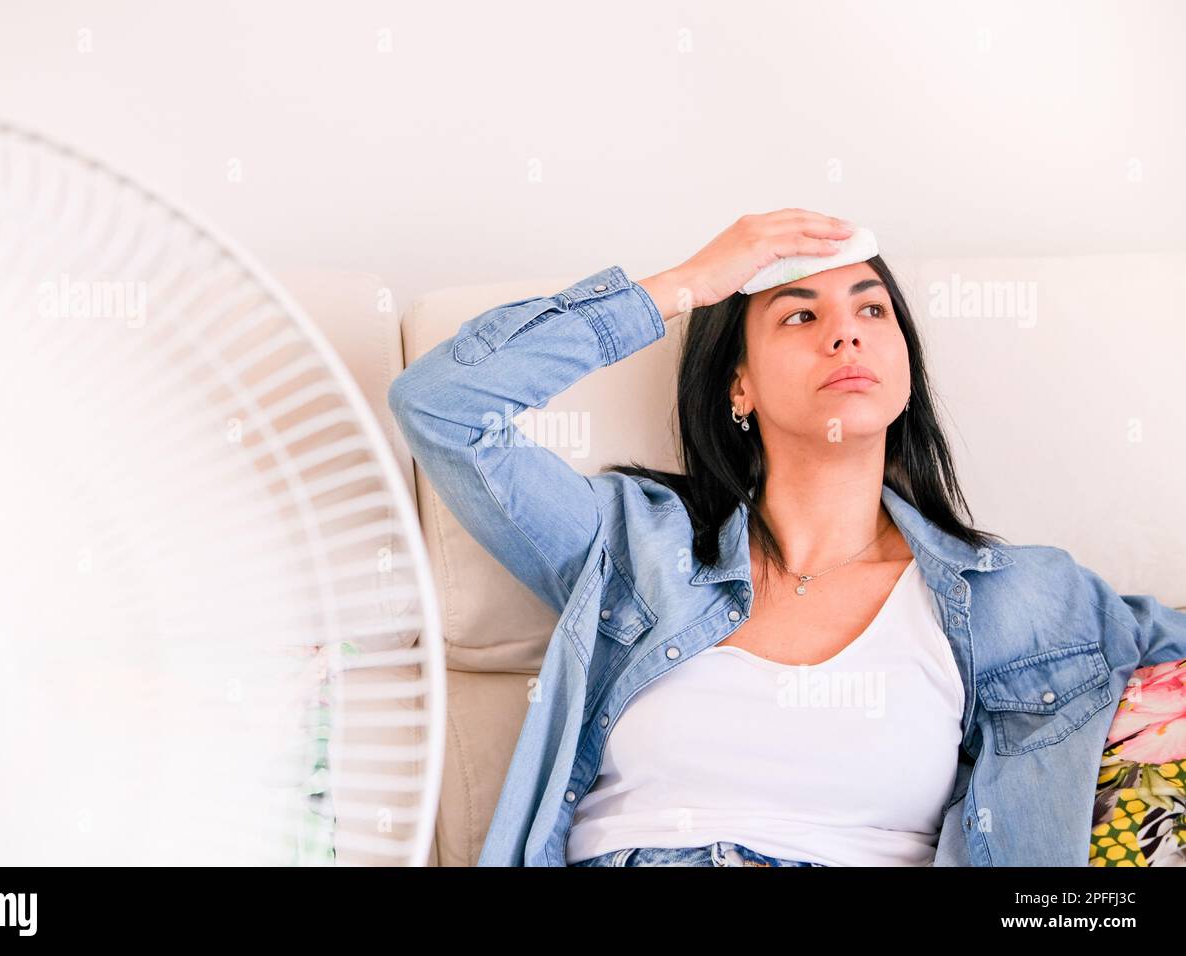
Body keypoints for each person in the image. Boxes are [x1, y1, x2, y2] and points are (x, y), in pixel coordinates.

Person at [387, 209, 1186, 867]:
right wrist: (682, 286)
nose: (846, 335)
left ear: (905, 369)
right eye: (801, 314)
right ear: (739, 382)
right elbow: (442, 406)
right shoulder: (632, 542)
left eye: (872, 310)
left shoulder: (1023, 598)